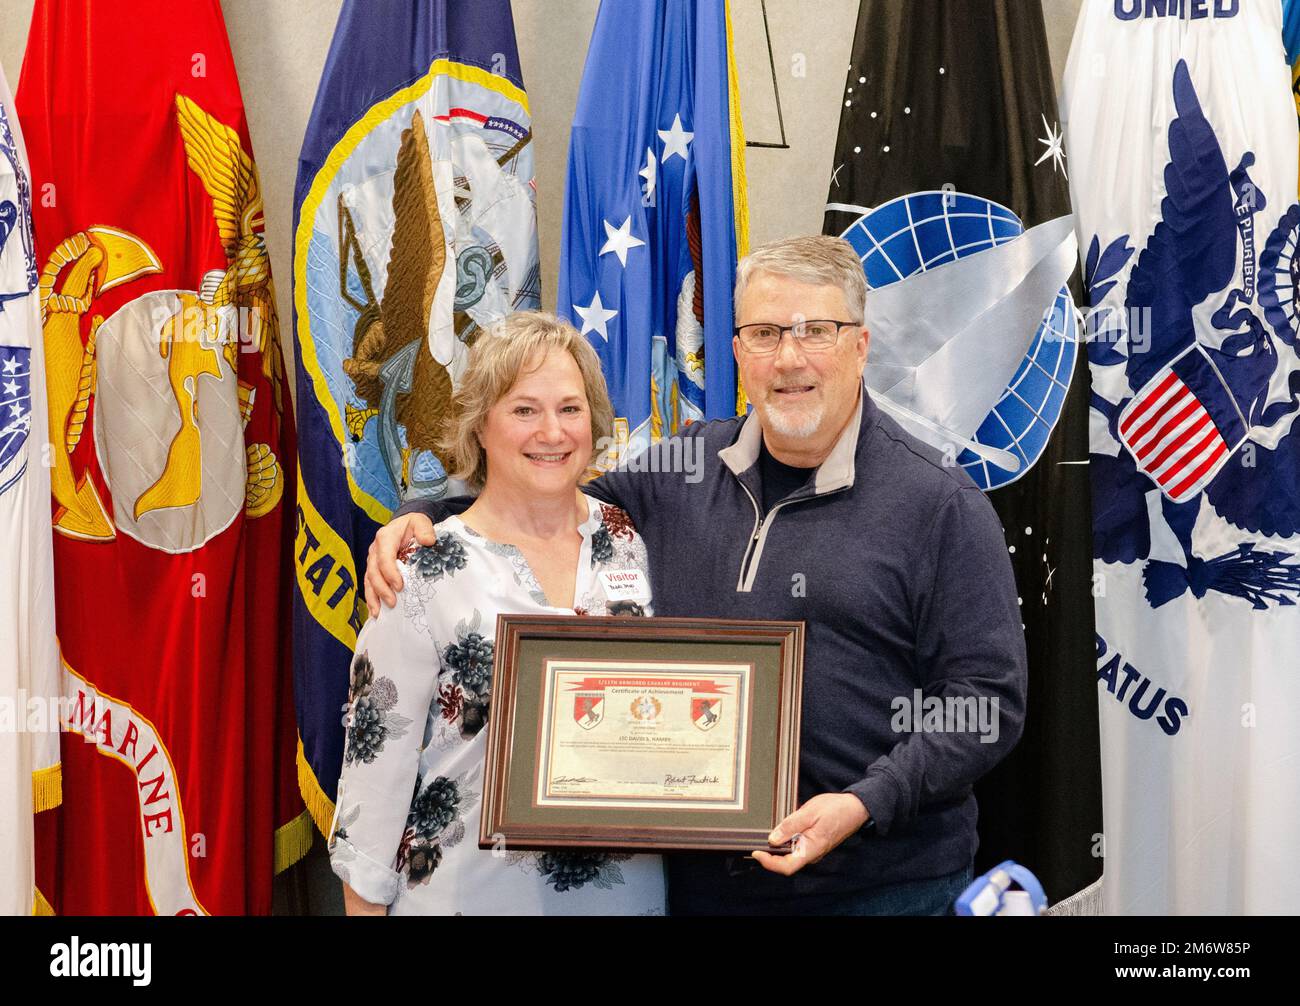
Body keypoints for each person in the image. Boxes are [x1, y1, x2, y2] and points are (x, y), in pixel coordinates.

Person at [364, 236, 1028, 916]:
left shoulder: (941, 505)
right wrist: (425, 513)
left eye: (816, 332)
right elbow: (545, 488)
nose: (790, 357)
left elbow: (987, 701)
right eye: (765, 333)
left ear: (860, 346)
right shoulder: (682, 469)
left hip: (880, 889)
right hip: (702, 891)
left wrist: (866, 802)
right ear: (737, 353)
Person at [330, 311, 665, 915]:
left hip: (625, 896)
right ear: (480, 424)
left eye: (569, 408)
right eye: (524, 409)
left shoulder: (633, 542)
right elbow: (375, 772)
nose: (552, 432)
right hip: (464, 896)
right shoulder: (419, 568)